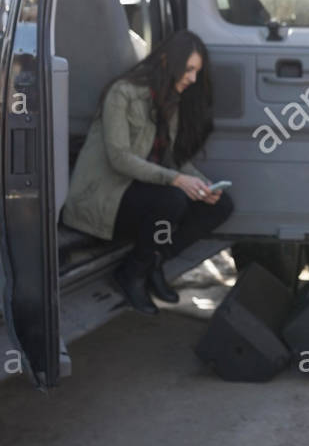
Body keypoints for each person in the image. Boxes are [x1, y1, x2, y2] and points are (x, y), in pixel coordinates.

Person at [62, 31, 234, 315]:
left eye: (196, 71)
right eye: (189, 69)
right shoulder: (122, 93)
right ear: (166, 61)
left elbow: (170, 159)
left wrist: (203, 185)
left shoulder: (169, 99)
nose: (193, 78)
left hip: (139, 189)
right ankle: (132, 273)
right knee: (171, 200)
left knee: (220, 205)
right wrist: (176, 180)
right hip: (104, 196)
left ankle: (155, 260)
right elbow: (120, 159)